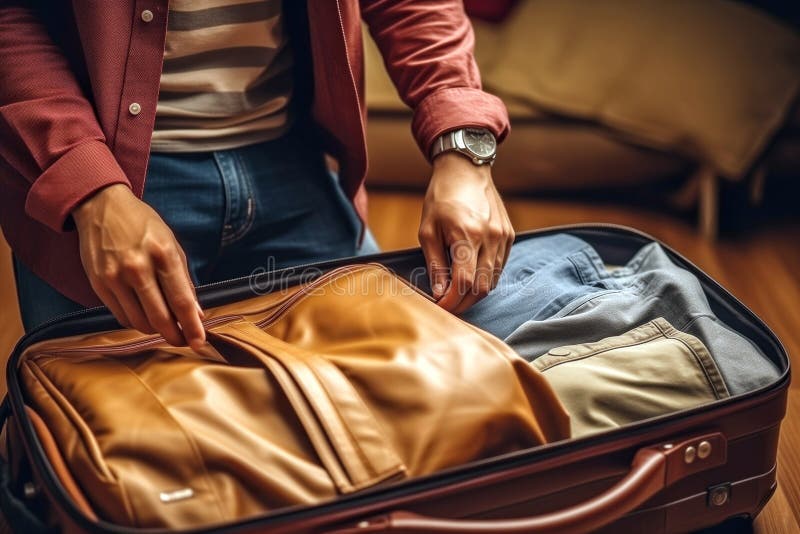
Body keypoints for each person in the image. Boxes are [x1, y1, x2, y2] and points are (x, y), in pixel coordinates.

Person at [0, 0, 513, 351]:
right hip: (111, 178)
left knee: (397, 386)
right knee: (130, 453)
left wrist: (462, 145)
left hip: (291, 159)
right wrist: (92, 192)